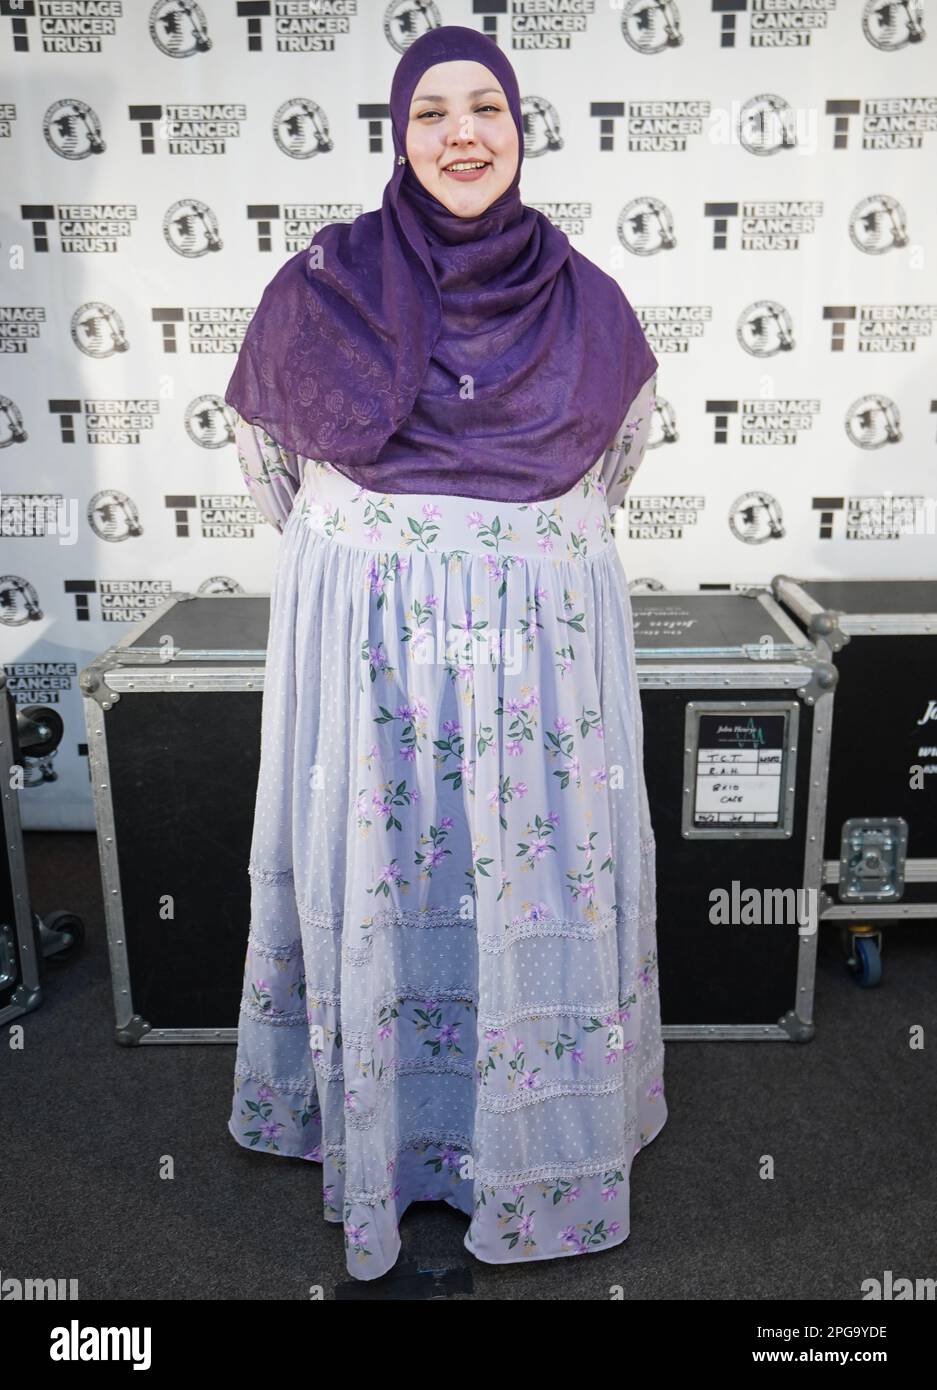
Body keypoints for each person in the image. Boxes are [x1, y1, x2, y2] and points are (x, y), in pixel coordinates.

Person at [224, 23, 666, 1282]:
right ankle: (401, 1140)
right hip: (378, 678)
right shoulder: (320, 289)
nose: (462, 133)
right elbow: (274, 473)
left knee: (523, 880)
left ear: (520, 131)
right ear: (397, 133)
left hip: (534, 677)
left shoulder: (589, 303)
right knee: (398, 876)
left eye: (487, 108)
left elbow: (612, 471)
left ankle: (530, 1151)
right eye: (432, 112)